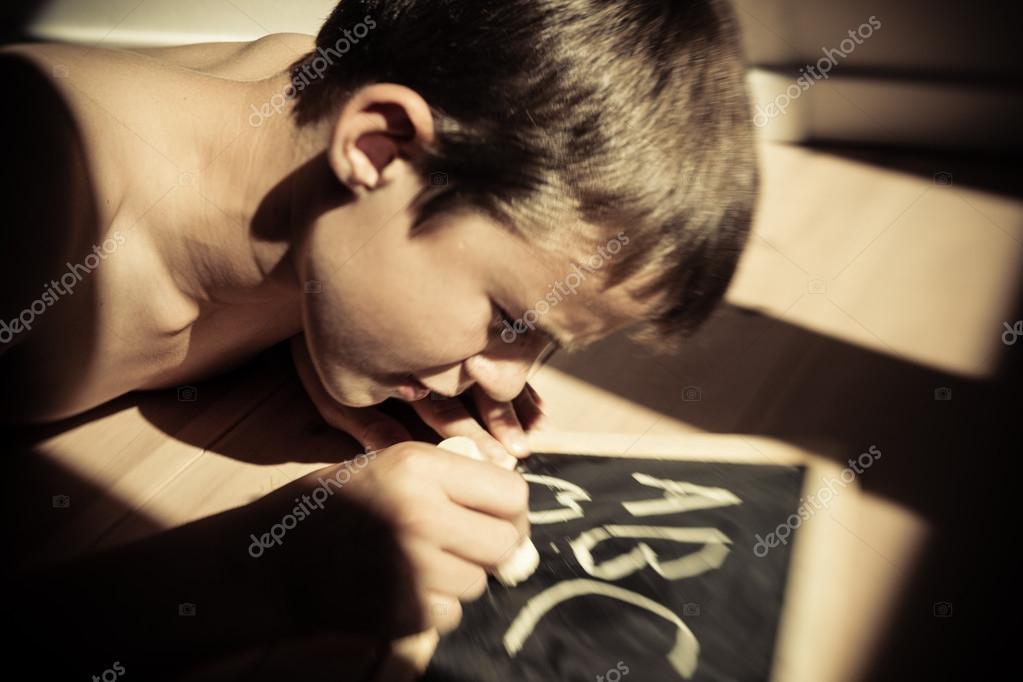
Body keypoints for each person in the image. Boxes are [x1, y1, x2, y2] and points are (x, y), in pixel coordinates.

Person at [1, 0, 757, 677]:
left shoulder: (309, 141)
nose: (503, 384)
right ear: (379, 148)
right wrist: (266, 572)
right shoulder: (37, 213)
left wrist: (308, 342)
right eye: (512, 320)